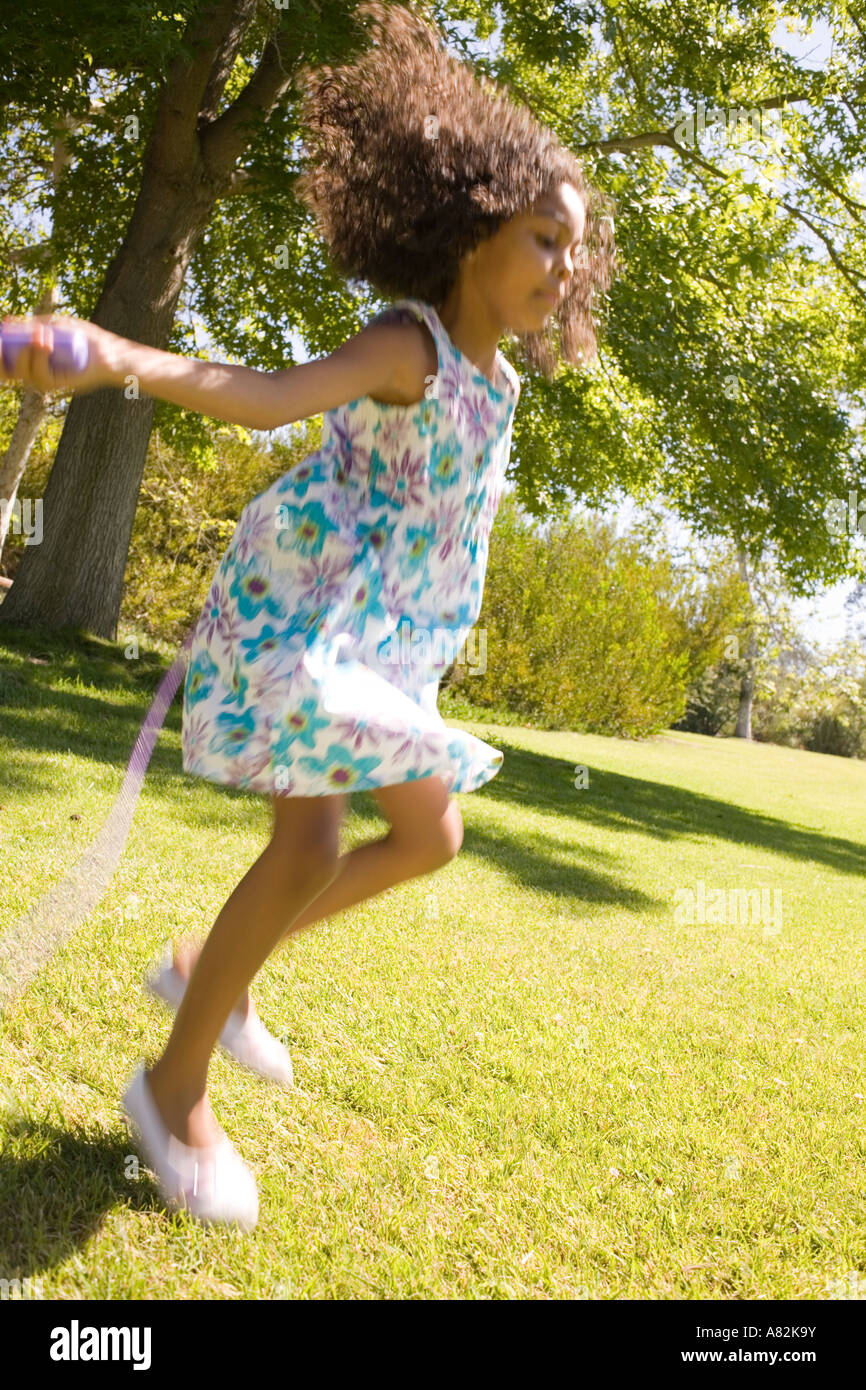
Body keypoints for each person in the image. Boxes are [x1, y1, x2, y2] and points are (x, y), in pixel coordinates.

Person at [0, 2, 615, 1230]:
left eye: (573, 249)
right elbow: (264, 399)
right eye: (542, 236)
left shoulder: (491, 382)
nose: (562, 266)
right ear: (470, 225)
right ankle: (174, 1087)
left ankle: (202, 972)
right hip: (306, 614)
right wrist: (117, 354)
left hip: (380, 639)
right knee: (311, 848)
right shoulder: (412, 345)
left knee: (425, 835)